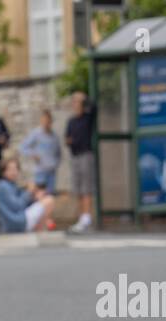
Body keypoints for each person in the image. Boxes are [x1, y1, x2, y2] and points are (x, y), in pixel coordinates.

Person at [0, 158, 54, 234]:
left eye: (16, 169)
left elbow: (22, 203)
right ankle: (39, 232)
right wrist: (28, 192)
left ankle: (39, 231)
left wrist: (34, 197)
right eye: (10, 169)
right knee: (49, 200)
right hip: (16, 223)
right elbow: (18, 206)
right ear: (3, 172)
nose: (14, 172)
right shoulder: (3, 186)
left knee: (42, 199)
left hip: (19, 220)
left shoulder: (11, 184)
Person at [65, 91, 95, 233]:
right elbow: (67, 137)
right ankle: (82, 217)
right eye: (74, 102)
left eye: (78, 102)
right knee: (78, 189)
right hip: (75, 155)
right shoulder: (71, 121)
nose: (75, 104)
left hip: (85, 154)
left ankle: (87, 218)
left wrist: (85, 98)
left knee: (86, 188)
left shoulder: (87, 118)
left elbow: (94, 107)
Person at [19, 109, 60, 193]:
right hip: (40, 171)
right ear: (41, 121)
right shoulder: (36, 134)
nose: (46, 123)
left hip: (51, 171)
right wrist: (33, 154)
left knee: (50, 196)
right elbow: (23, 147)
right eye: (44, 120)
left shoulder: (54, 136)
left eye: (48, 120)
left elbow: (58, 153)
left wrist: (55, 163)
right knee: (40, 195)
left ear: (51, 121)